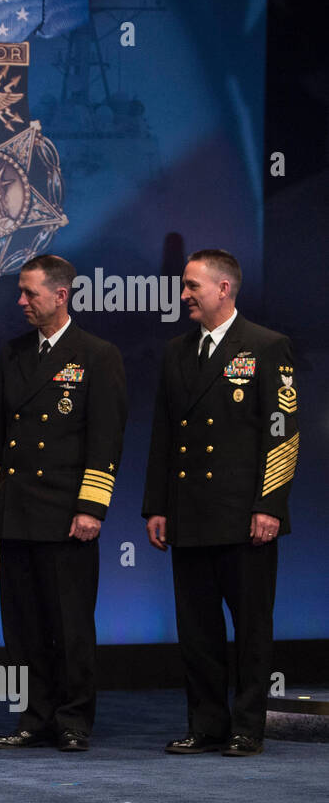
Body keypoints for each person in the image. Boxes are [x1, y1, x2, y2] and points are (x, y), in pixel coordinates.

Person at [143, 249, 297, 757]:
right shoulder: (176, 351)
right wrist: (157, 506)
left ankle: (248, 725)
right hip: (189, 515)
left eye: (192, 286)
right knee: (198, 629)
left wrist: (269, 505)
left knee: (251, 630)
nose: (184, 294)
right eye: (184, 287)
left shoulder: (268, 346)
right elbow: (163, 433)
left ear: (223, 289)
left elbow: (282, 433)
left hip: (244, 516)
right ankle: (207, 723)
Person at [0, 254, 127, 753]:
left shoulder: (97, 354)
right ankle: (33, 716)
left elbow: (106, 439)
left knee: (70, 624)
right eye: (20, 292)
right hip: (16, 511)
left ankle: (74, 719)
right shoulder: (12, 353)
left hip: (66, 512)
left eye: (30, 293)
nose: (21, 301)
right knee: (24, 625)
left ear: (60, 295)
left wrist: (92, 507)